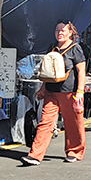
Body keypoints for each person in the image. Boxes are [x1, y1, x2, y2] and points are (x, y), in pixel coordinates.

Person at [22, 22, 86, 165]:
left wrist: (80, 92)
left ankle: (74, 152)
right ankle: (35, 155)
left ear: (70, 32)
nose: (59, 33)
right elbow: (48, 71)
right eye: (57, 30)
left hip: (69, 93)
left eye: (63, 30)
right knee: (45, 123)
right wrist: (43, 89)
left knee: (72, 124)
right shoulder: (52, 48)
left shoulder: (75, 49)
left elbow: (81, 71)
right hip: (51, 92)